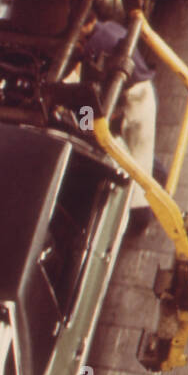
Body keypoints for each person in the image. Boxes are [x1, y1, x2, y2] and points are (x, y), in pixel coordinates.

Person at [78, 16, 158, 234]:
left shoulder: (94, 47)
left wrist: (84, 128)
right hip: (143, 93)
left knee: (135, 162)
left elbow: (89, 92)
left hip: (135, 103)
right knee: (141, 152)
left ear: (85, 25)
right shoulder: (110, 26)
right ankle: (161, 176)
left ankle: (140, 217)